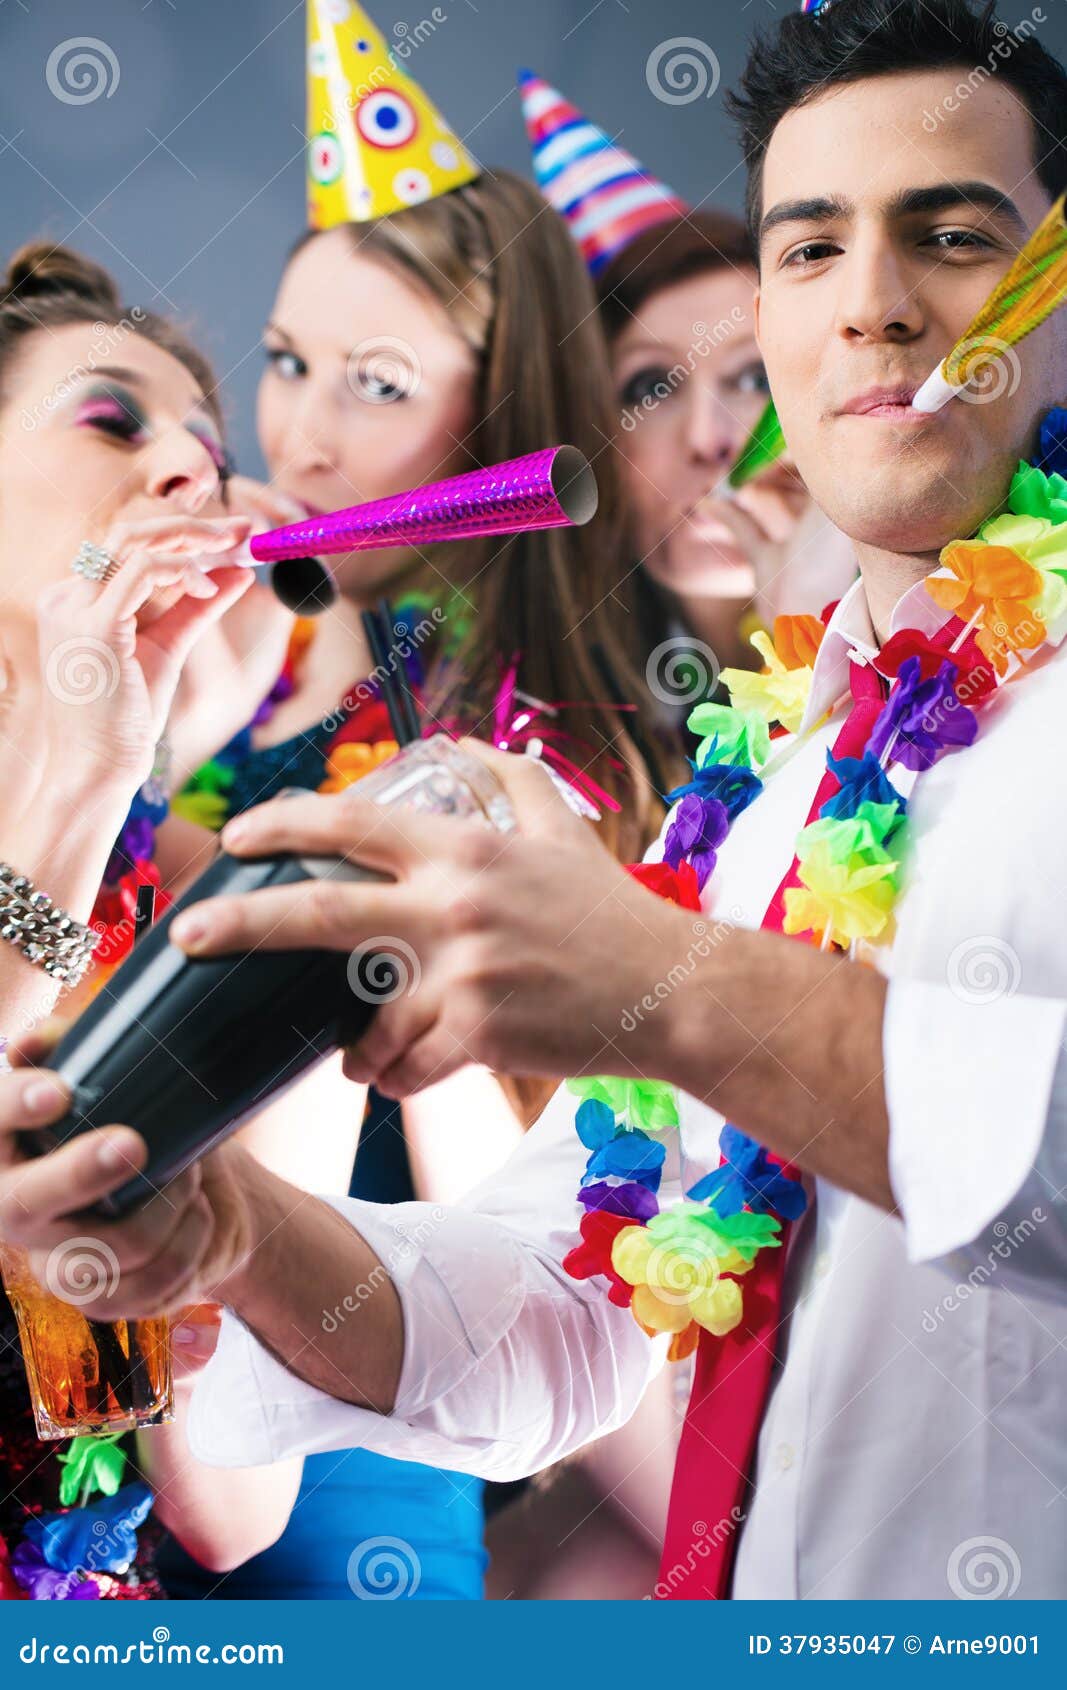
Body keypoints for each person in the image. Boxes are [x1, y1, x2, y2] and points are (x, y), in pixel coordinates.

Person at [6, 0, 1067, 1603]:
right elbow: (565, 1328)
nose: (871, 307)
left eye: (954, 232)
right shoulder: (770, 796)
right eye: (807, 249)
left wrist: (672, 994)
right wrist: (238, 1241)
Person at [140, 0, 667, 1601]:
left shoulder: (541, 771)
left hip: (352, 1503)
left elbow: (547, 1251)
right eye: (289, 362)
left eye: (374, 384)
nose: (298, 432)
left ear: (495, 421)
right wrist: (137, 741)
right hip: (155, 1461)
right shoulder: (277, 696)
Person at [0, 240, 255, 1599]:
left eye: (205, 448)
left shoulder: (218, 889)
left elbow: (236, 1514)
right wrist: (86, 779)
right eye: (112, 419)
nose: (186, 469)